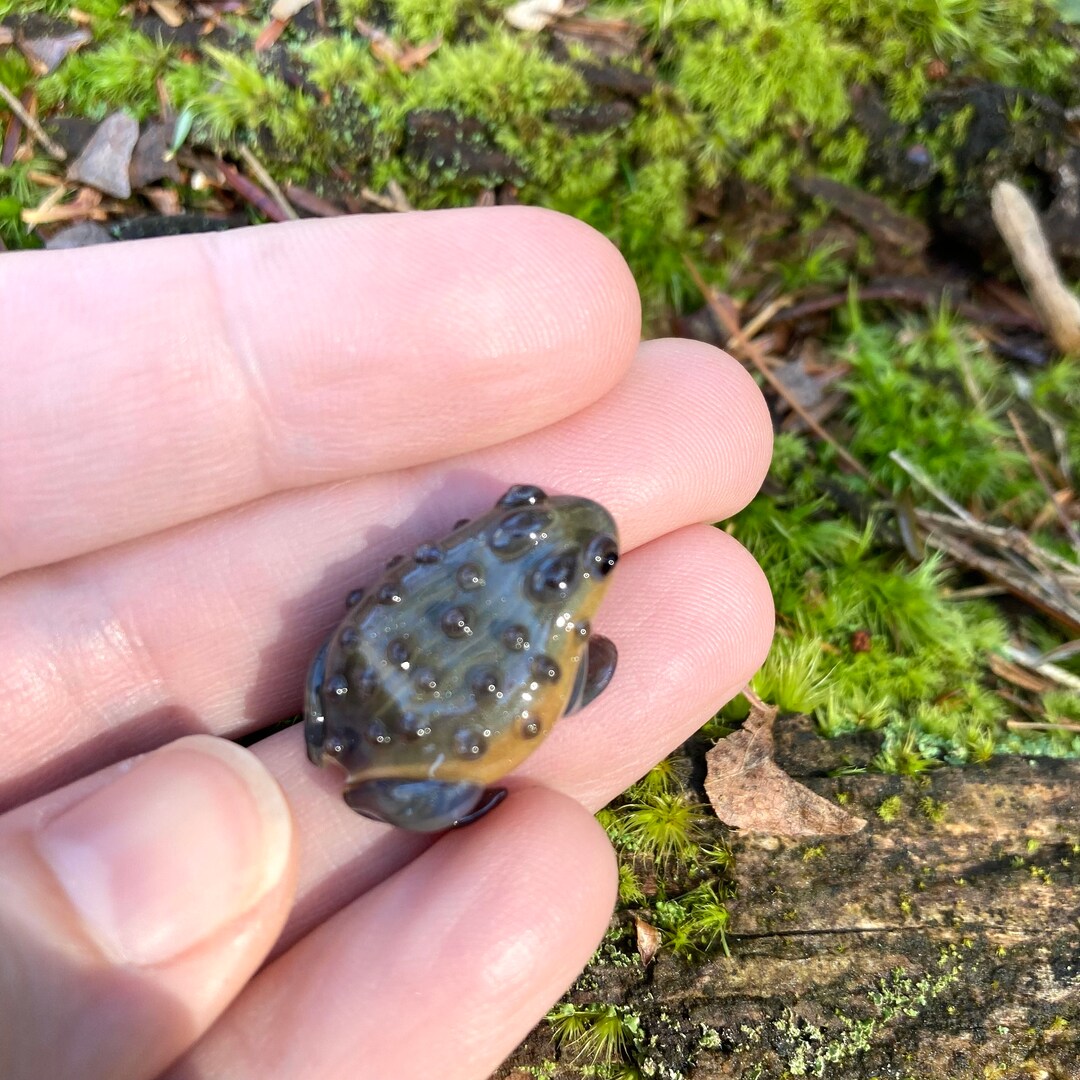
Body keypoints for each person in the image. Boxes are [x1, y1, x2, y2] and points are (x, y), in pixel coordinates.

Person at [0, 206, 774, 1080]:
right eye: (521, 506)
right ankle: (420, 788)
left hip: (352, 704)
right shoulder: (570, 639)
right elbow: (588, 682)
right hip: (387, 745)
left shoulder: (521, 601)